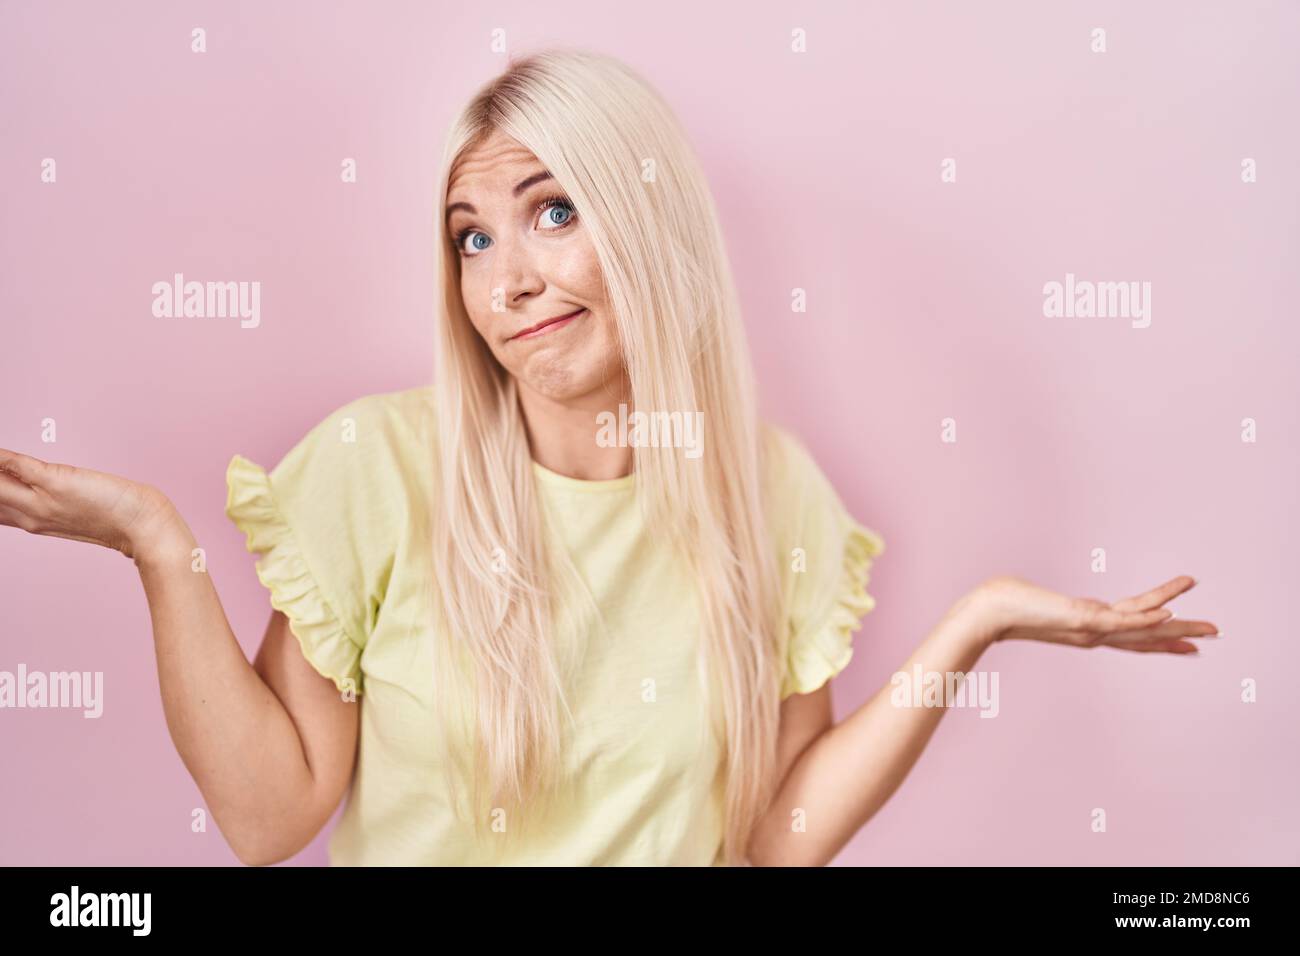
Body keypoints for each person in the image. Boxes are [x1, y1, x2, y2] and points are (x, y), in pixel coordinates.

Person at [0, 49, 1219, 867]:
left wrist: (978, 621)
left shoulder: (771, 493)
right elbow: (270, 818)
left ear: (650, 227)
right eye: (470, 236)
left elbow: (778, 833)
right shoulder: (376, 467)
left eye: (553, 211)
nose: (509, 276)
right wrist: (159, 544)